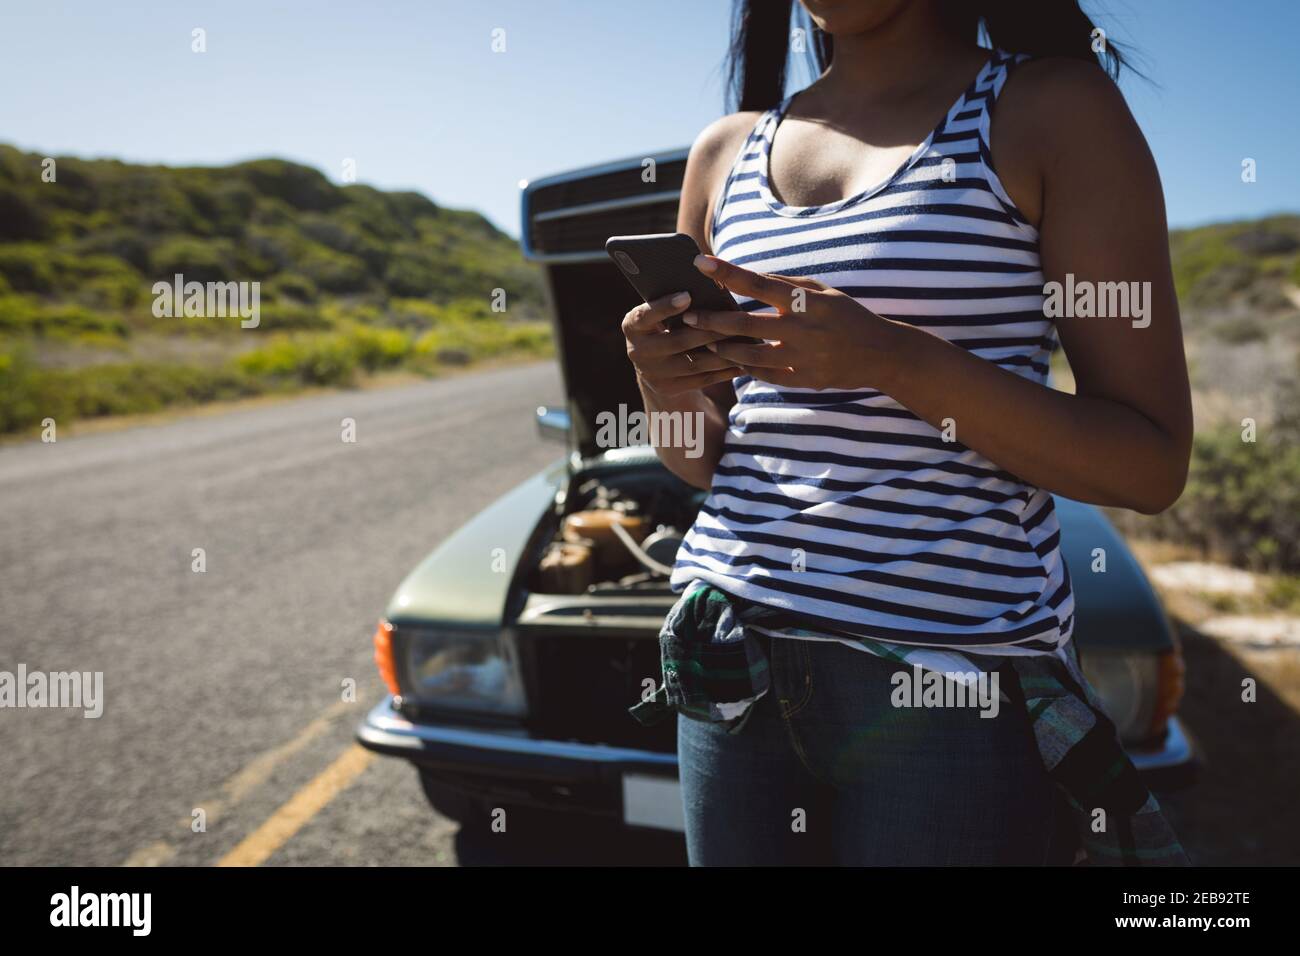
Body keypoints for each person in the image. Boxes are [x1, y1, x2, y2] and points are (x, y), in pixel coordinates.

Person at [620, 0, 1193, 865]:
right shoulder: (723, 150)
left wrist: (890, 358)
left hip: (950, 691)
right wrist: (662, 380)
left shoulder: (1053, 110)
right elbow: (704, 461)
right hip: (729, 659)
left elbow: (1148, 464)